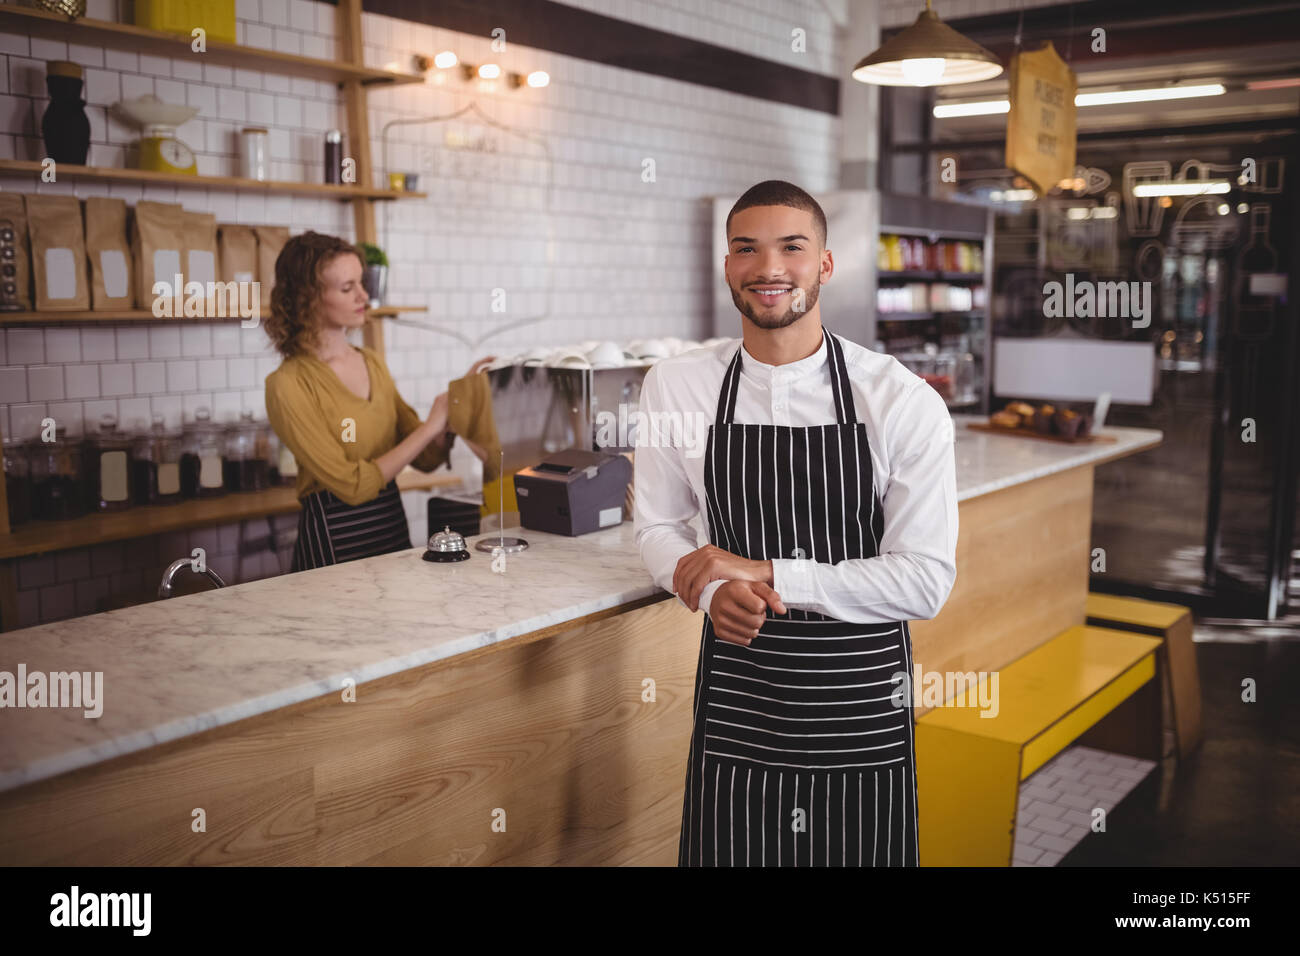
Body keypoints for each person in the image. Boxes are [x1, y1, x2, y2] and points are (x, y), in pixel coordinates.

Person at [633, 180, 958, 866]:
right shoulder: (678, 384)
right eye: (746, 249)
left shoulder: (898, 399)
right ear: (728, 266)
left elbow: (925, 582)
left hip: (860, 708)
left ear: (825, 265)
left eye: (792, 247)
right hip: (740, 703)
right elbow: (657, 527)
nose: (768, 267)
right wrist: (713, 592)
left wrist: (767, 572)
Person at [264, 231, 492, 571]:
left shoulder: (371, 362)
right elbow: (353, 487)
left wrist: (460, 404)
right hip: (334, 544)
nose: (364, 295)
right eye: (347, 288)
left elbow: (427, 456)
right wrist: (431, 426)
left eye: (362, 282)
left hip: (391, 532)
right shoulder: (288, 385)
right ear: (307, 299)